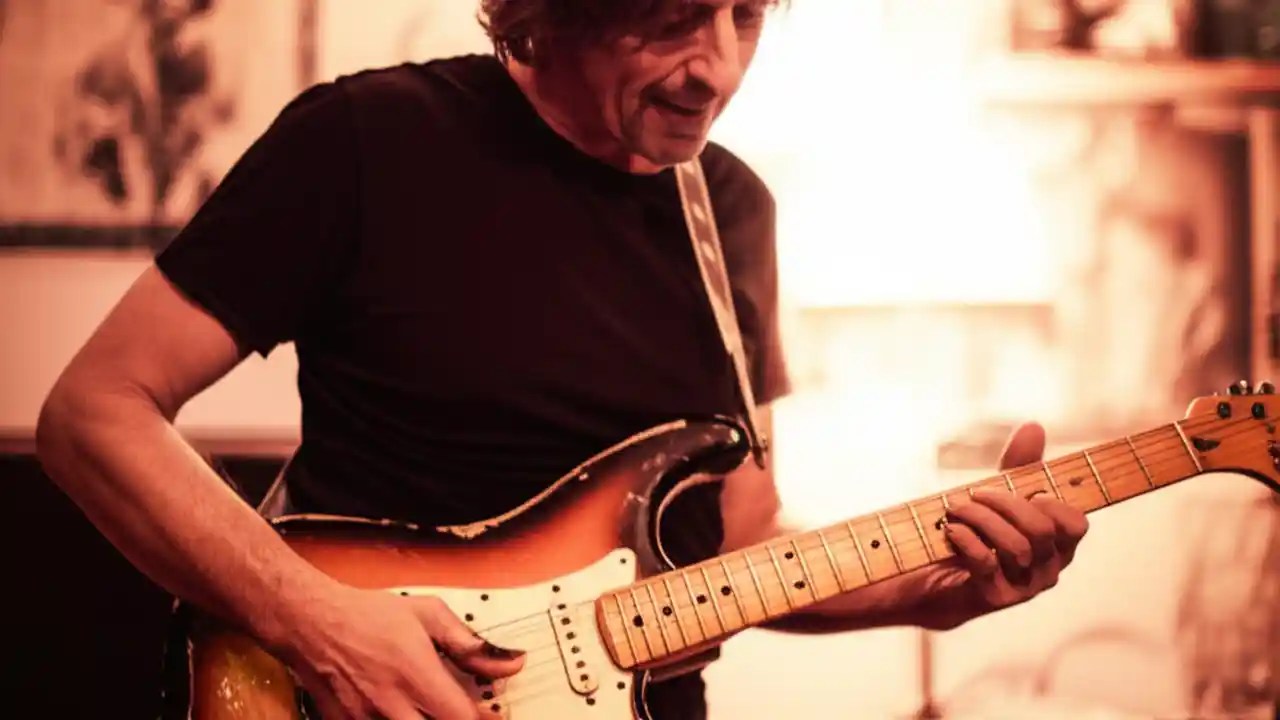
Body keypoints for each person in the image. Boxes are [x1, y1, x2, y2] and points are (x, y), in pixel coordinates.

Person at [34, 1, 1090, 718]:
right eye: (674, 15)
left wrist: (934, 588)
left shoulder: (730, 212)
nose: (717, 67)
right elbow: (94, 414)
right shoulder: (362, 142)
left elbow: (738, 546)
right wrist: (316, 625)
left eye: (747, 14)